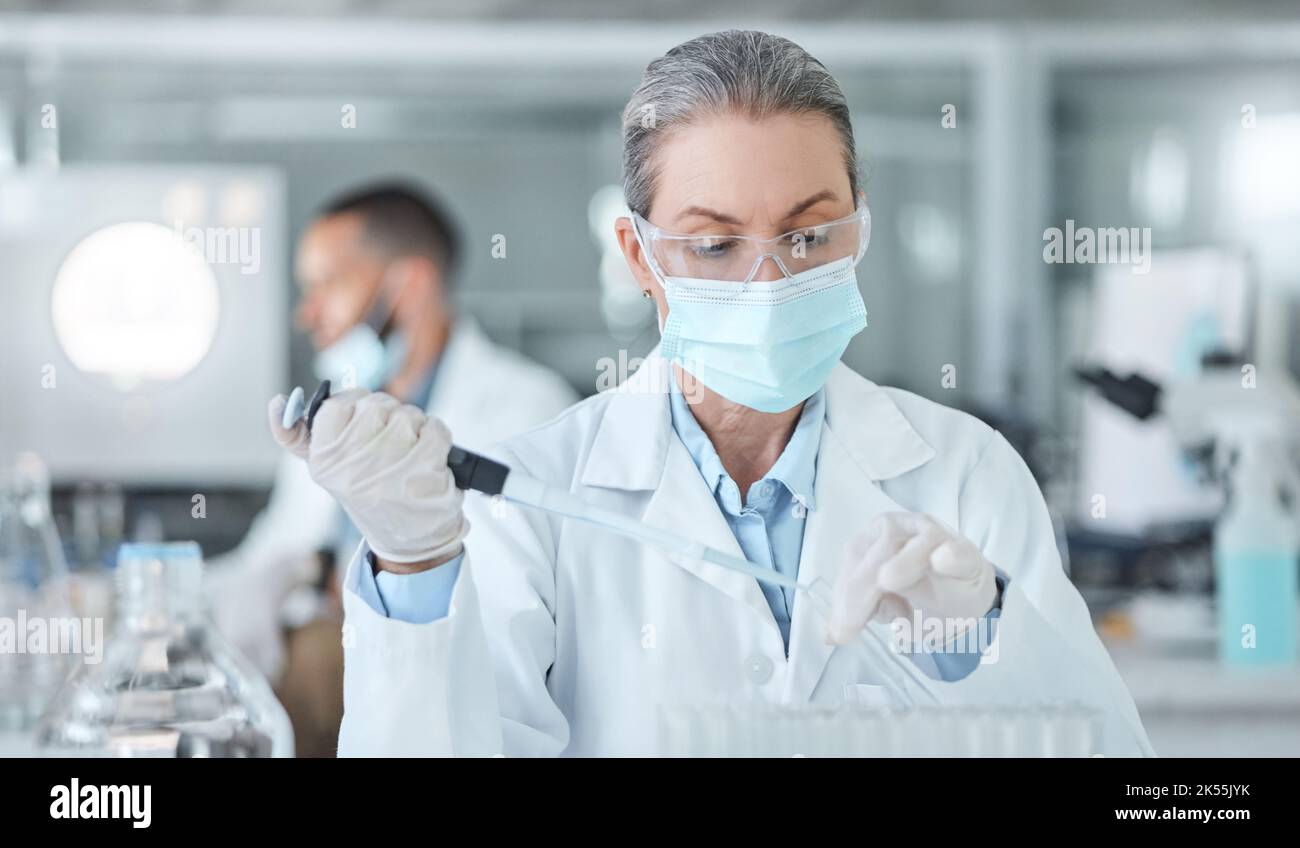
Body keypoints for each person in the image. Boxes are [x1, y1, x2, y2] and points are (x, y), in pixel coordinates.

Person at [269, 32, 1153, 757]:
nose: (769, 281)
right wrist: (414, 571)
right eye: (714, 245)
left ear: (861, 230)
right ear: (639, 256)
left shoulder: (965, 476)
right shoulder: (536, 497)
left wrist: (988, 642)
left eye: (808, 236)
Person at [207, 184, 577, 716]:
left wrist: (325, 572)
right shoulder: (340, 410)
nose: (307, 314)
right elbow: (264, 559)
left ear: (409, 286)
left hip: (448, 701)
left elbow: (503, 599)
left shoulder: (527, 409)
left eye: (327, 285)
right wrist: (140, 593)